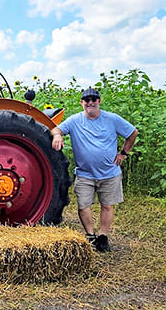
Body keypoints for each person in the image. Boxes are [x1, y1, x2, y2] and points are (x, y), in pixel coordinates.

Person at [50, 87, 137, 252]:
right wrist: (57, 136)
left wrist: (124, 153)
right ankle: (90, 235)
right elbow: (55, 128)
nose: (90, 103)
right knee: (83, 206)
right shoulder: (75, 120)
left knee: (107, 205)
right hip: (85, 173)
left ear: (99, 101)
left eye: (93, 99)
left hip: (110, 173)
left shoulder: (111, 119)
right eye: (87, 100)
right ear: (82, 102)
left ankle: (103, 236)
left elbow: (132, 132)